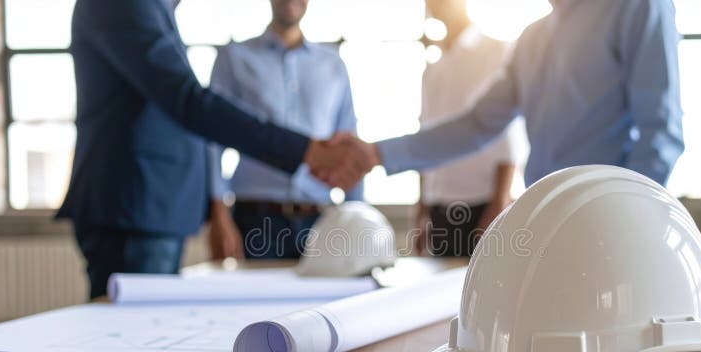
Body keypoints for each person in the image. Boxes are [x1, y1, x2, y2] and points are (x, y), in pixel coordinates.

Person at [56, 0, 355, 298]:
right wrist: (305, 152)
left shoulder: (155, 8)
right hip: (136, 203)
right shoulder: (128, 5)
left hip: (152, 206)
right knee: (131, 333)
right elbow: (188, 101)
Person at [321, 0, 685, 198]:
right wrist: (376, 153)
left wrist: (629, 219)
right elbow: (476, 125)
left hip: (610, 220)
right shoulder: (532, 37)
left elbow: (660, 132)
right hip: (544, 220)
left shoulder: (638, 6)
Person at [207, 0, 363, 261]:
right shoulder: (234, 57)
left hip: (321, 221)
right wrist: (218, 215)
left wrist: (358, 218)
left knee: (321, 303)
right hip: (255, 219)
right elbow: (212, 142)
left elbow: (349, 144)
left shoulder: (333, 65)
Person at [416, 0, 526, 257]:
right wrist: (420, 209)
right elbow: (425, 140)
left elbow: (509, 135)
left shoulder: (496, 52)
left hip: (484, 207)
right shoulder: (433, 69)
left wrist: (498, 204)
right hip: (438, 208)